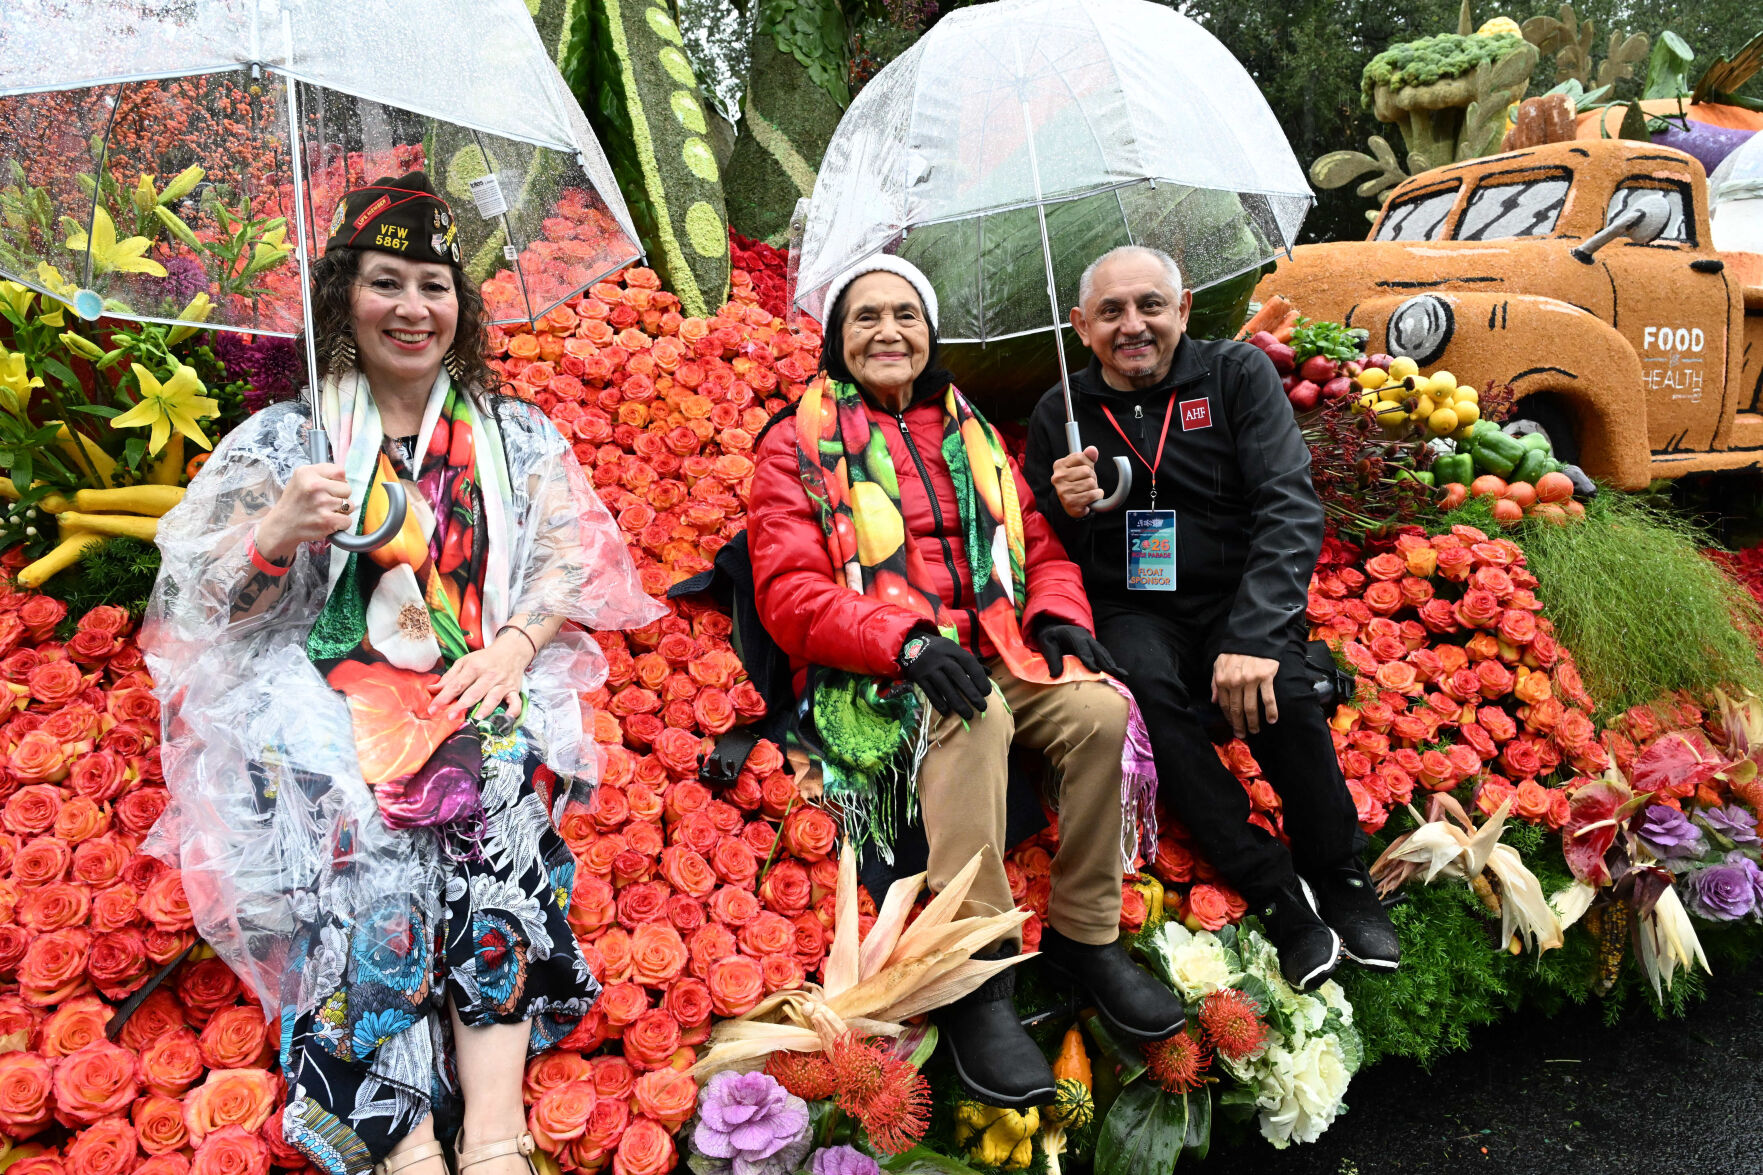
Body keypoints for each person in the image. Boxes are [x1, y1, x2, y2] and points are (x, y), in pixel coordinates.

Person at [144, 173, 663, 1175]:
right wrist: (273, 531)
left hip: (467, 672)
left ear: (459, 305)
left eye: (434, 284)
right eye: (387, 282)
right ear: (345, 296)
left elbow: (572, 556)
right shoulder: (288, 441)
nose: (413, 308)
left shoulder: (510, 436)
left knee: (494, 779)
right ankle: (402, 1126)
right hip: (315, 686)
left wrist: (513, 644)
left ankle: (497, 1127)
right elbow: (196, 603)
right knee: (363, 810)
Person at [746, 255, 1183, 1107]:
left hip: (993, 643)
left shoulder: (971, 429)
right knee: (971, 714)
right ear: (837, 340)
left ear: (929, 333)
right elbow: (787, 594)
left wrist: (1061, 617)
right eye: (865, 317)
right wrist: (904, 644)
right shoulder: (792, 441)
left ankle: (1085, 937)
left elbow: (1042, 550)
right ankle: (976, 970)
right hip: (875, 667)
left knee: (1099, 711)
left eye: (905, 315)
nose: (887, 332)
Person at [1024, 245, 1399, 991]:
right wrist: (1062, 509)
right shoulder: (1059, 414)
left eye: (1149, 305)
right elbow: (1045, 555)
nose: (1132, 325)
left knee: (1285, 692)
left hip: (1236, 593)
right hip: (1135, 607)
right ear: (1080, 326)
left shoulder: (1235, 375)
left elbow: (1288, 505)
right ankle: (1278, 893)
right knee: (1147, 708)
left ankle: (1338, 874)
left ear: (1183, 307)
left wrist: (1255, 637)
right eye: (1110, 312)